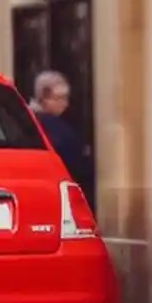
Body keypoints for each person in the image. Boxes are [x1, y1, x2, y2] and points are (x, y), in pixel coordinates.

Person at [29, 70, 96, 210]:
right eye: (59, 98)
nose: (65, 104)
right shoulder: (49, 124)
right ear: (44, 98)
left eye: (66, 98)